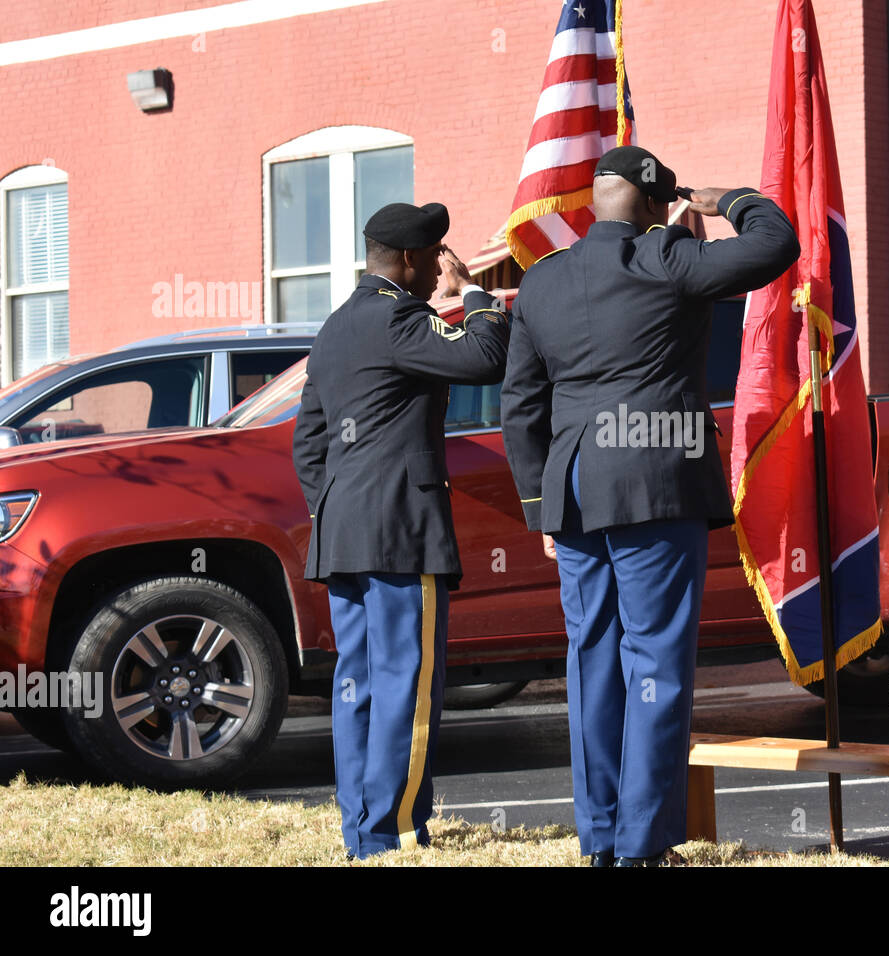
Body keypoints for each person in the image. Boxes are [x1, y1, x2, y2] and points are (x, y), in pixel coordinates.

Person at [500, 146, 799, 866]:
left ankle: (599, 839)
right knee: (656, 664)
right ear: (658, 203)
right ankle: (642, 845)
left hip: (573, 491)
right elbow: (776, 243)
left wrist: (541, 506)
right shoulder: (668, 258)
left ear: (597, 201)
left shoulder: (541, 281)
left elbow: (520, 406)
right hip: (652, 483)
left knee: (591, 664)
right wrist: (729, 200)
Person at [292, 201, 510, 859]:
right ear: (412, 260)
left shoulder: (333, 327)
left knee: (355, 683)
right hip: (401, 532)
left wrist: (335, 509)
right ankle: (396, 832)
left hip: (346, 535)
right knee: (405, 683)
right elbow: (485, 355)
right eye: (432, 258)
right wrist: (472, 292)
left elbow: (309, 441)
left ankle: (363, 828)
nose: (434, 271)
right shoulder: (399, 317)